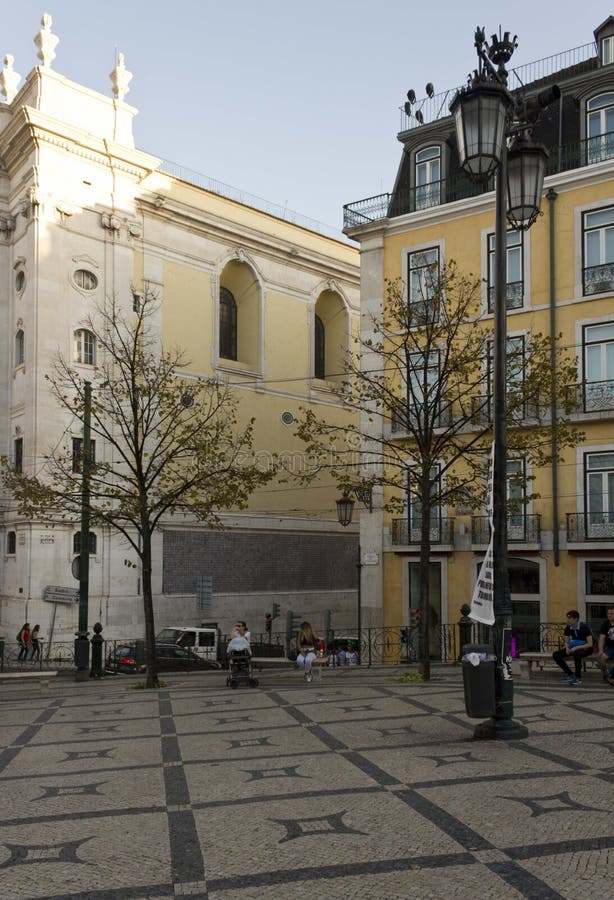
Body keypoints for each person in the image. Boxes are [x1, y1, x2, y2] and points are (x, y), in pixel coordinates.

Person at [552, 610, 593, 685]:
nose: (567, 620)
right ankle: (570, 674)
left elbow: (590, 644)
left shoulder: (584, 627)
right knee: (556, 655)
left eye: (569, 618)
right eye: (567, 618)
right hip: (573, 647)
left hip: (586, 648)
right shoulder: (568, 627)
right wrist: (567, 648)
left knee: (577, 654)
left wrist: (576, 648)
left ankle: (578, 678)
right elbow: (566, 641)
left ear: (576, 619)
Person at [597, 605, 614, 684]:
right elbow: (601, 638)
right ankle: (605, 676)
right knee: (601, 659)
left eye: (612, 613)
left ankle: (612, 676)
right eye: (609, 613)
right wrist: (600, 650)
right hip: (610, 647)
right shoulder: (605, 624)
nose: (610, 615)